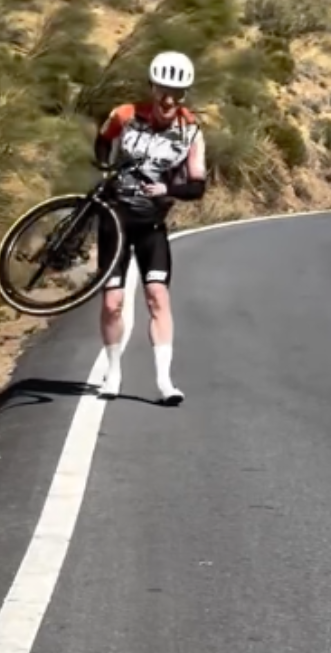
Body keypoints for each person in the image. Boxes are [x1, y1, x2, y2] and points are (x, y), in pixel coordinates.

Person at [92, 51, 207, 406]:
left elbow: (198, 185)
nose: (168, 99)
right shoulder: (125, 115)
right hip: (115, 219)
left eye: (177, 92)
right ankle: (113, 371)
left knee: (158, 297)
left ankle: (164, 382)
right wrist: (105, 169)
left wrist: (168, 190)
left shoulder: (191, 132)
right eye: (162, 90)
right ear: (152, 88)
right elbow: (101, 141)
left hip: (150, 224)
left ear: (184, 95)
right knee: (113, 303)